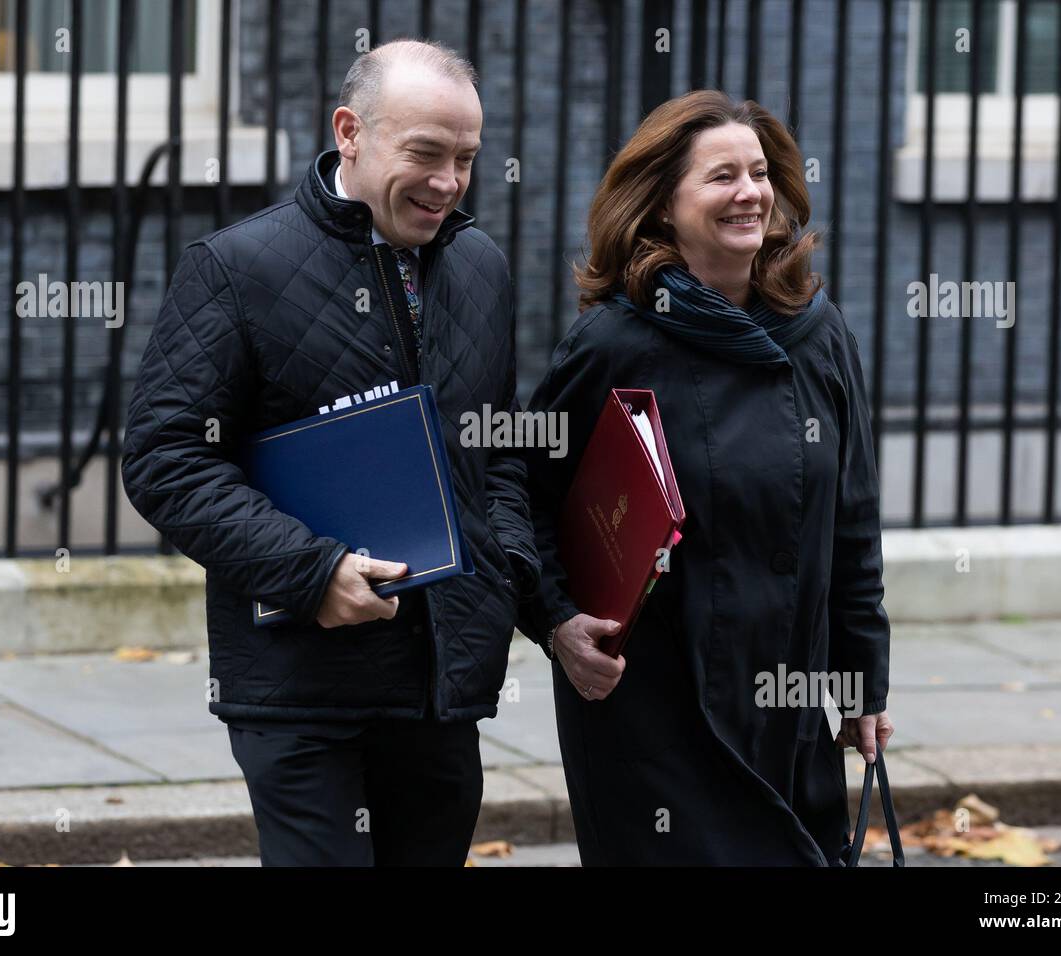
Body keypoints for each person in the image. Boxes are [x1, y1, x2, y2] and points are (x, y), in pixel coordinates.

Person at [121, 39, 540, 866]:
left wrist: (511, 575)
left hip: (441, 685)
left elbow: (499, 451)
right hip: (300, 685)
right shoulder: (236, 269)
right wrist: (312, 573)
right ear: (350, 131)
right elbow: (166, 458)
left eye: (465, 158)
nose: (449, 182)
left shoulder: (481, 266)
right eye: (425, 152)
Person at [520, 90, 893, 865]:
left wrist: (862, 682)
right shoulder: (611, 343)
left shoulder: (819, 333)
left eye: (759, 173)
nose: (749, 193)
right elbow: (522, 497)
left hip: (785, 709)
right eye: (721, 176)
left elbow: (852, 522)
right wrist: (557, 622)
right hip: (655, 714)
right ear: (661, 205)